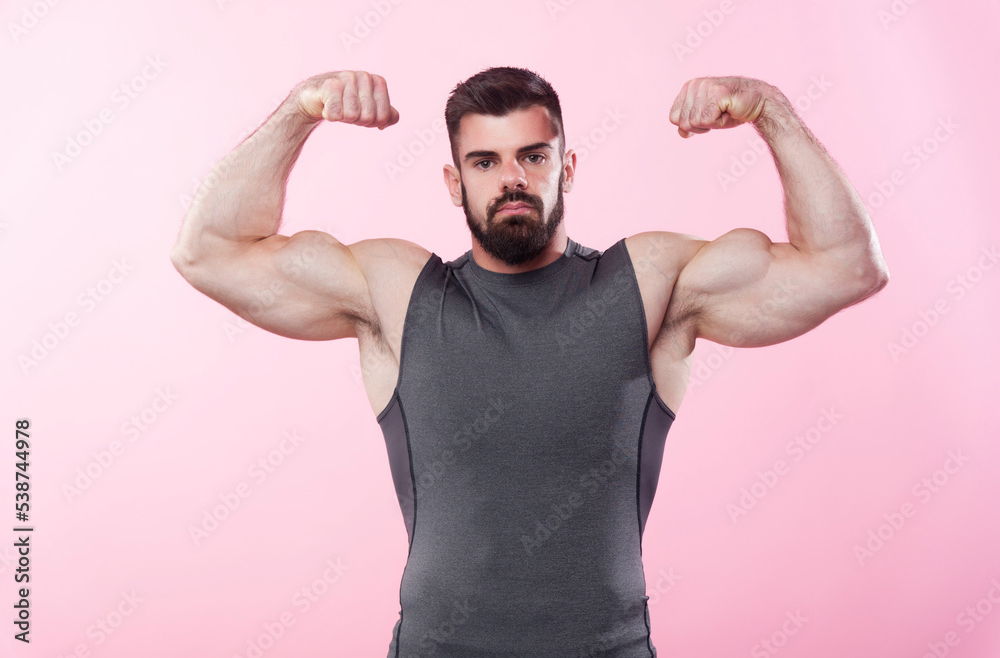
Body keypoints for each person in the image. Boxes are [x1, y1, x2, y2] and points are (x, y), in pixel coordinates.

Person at [170, 67, 889, 657]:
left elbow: (847, 267)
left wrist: (771, 110)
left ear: (566, 168)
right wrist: (304, 107)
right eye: (484, 162)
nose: (510, 178)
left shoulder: (648, 284)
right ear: (455, 184)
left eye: (532, 156)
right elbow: (208, 251)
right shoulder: (394, 292)